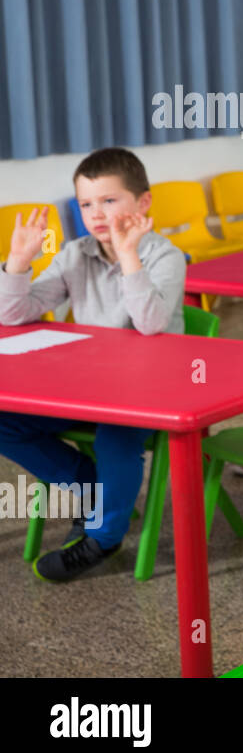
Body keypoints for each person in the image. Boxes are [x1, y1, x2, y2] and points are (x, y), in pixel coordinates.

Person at [0, 147, 185, 580]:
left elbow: (152, 323)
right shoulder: (74, 254)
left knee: (116, 437)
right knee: (4, 418)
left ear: (143, 204)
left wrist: (128, 257)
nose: (96, 213)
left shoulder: (165, 256)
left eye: (109, 200)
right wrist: (20, 263)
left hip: (151, 389)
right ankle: (87, 486)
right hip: (84, 385)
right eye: (86, 204)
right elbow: (13, 314)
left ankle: (103, 537)